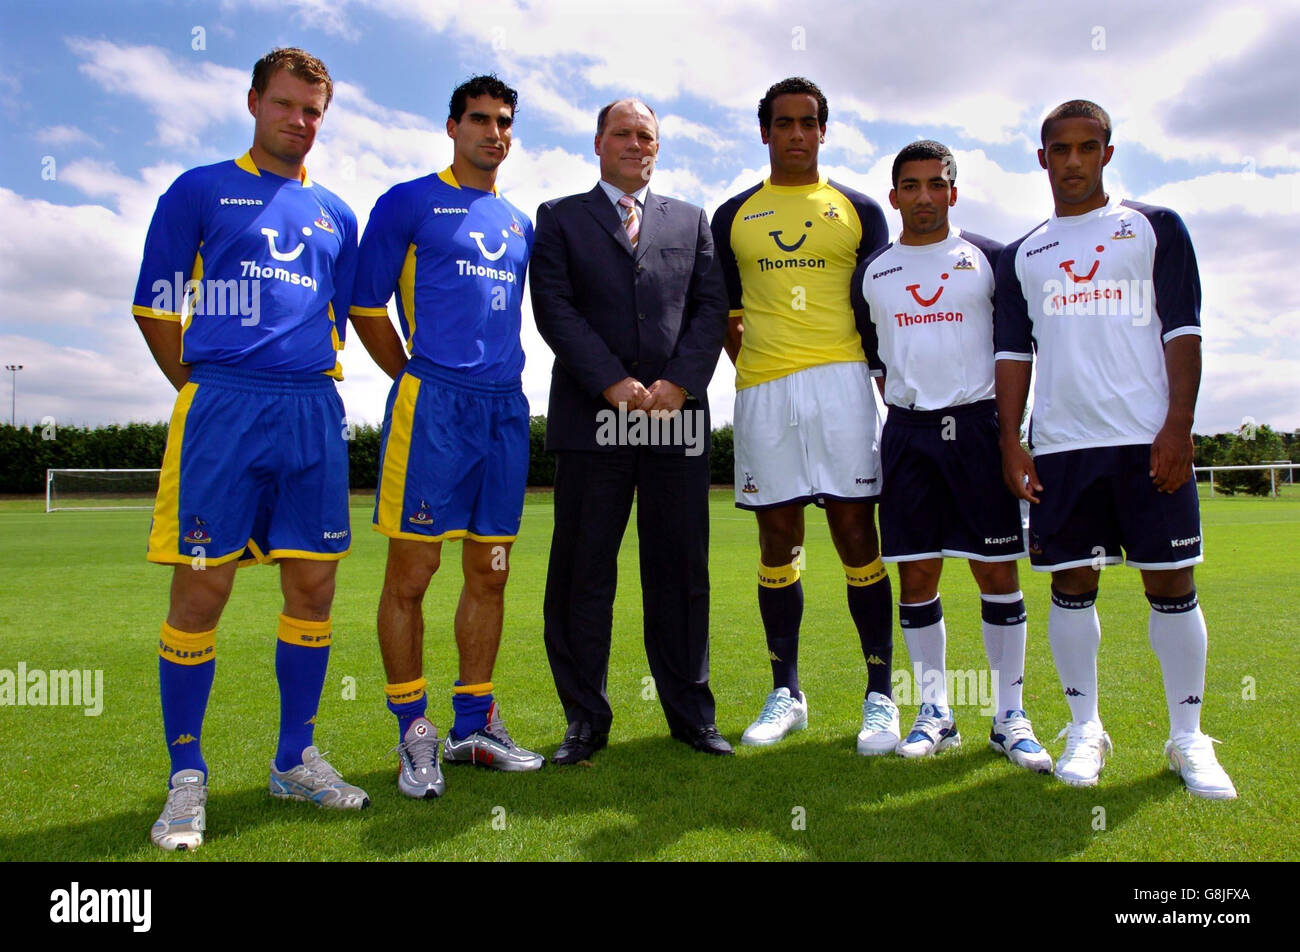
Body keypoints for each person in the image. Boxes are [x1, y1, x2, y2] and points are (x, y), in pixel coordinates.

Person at [132, 48, 367, 851]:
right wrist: (200, 393)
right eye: (286, 105)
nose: (299, 121)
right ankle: (186, 778)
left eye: (313, 110)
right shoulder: (198, 190)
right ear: (253, 102)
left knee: (314, 587)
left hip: (311, 412)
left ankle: (294, 757)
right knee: (202, 593)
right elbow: (156, 309)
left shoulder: (340, 214)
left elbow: (338, 323)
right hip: (222, 404)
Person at [994, 100, 1235, 797]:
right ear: (1042, 159)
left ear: (1106, 151)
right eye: (1058, 149)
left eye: (1086, 147)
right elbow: (1013, 356)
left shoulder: (1154, 228)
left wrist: (1178, 425)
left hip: (1145, 440)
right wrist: (1012, 442)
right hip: (1064, 448)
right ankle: (1085, 730)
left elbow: (1181, 331)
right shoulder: (1022, 254)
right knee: (1072, 585)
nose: (1072, 160)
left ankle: (1188, 739)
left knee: (1172, 583)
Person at [348, 75, 542, 799]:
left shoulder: (522, 223)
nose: (494, 133)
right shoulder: (407, 202)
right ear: (453, 126)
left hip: (503, 411)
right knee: (413, 574)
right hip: (433, 408)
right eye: (481, 120)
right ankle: (414, 732)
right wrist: (415, 381)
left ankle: (473, 723)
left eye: (504, 123)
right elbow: (366, 307)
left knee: (490, 570)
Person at [530, 97, 731, 763]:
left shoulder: (691, 220)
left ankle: (691, 717)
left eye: (647, 136)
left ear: (658, 146)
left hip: (675, 422)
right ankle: (585, 721)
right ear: (598, 142)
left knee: (680, 572)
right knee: (583, 574)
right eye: (623, 133)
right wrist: (612, 381)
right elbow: (554, 308)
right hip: (595, 421)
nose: (636, 145)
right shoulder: (559, 218)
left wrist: (680, 383)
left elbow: (709, 308)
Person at [849, 140, 1051, 769]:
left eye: (936, 184)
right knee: (917, 573)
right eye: (910, 186)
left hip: (981, 429)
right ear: (894, 196)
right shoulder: (874, 272)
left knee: (996, 572)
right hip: (908, 434)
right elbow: (877, 360)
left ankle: (1009, 715)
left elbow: (1017, 349)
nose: (924, 197)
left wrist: (1007, 433)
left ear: (953, 192)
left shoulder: (992, 259)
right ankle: (934, 710)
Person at [711, 77, 893, 752]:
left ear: (823, 130)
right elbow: (727, 316)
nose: (795, 133)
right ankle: (786, 691)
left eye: (808, 122)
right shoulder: (731, 214)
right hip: (764, 391)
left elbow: (876, 307)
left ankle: (880, 694)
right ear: (765, 132)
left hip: (843, 384)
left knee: (854, 535)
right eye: (783, 123)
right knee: (777, 538)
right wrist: (765, 375)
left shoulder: (861, 209)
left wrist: (871, 381)